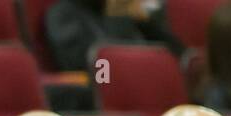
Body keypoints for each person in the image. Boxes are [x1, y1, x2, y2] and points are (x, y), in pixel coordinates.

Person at [46, 0, 184, 73]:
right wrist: (118, 18)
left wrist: (147, 24)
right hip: (103, 98)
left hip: (148, 86)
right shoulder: (63, 14)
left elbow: (179, 57)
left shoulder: (124, 11)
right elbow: (103, 73)